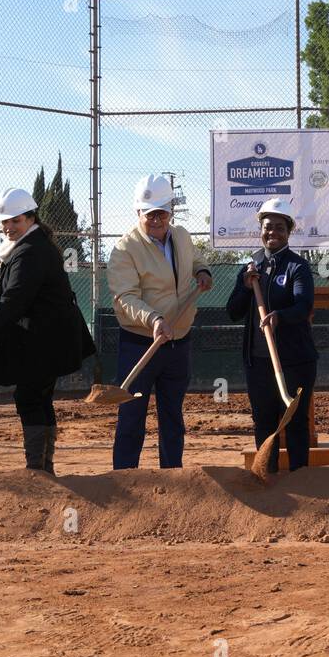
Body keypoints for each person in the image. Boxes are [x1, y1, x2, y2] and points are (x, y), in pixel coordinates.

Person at [0, 188, 96, 475]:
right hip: (47, 340)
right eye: (5, 222)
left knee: (29, 398)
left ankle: (36, 469)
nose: (9, 227)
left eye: (16, 221)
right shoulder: (32, 246)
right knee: (39, 398)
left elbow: (13, 300)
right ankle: (43, 467)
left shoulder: (30, 252)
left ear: (30, 218)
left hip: (43, 342)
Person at [108, 175, 213, 470]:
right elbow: (125, 298)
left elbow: (195, 258)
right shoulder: (125, 250)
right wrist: (153, 319)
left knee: (172, 416)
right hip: (141, 344)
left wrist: (202, 270)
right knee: (131, 416)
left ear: (170, 211)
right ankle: (125, 479)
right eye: (149, 213)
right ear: (137, 212)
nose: (156, 219)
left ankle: (173, 477)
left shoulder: (181, 236)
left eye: (161, 212)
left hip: (178, 342)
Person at [226, 197, 318, 473]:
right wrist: (244, 286)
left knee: (296, 420)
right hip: (258, 361)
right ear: (260, 229)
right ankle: (267, 476)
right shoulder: (250, 268)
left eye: (279, 227)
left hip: (294, 361)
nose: (272, 233)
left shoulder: (297, 267)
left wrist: (280, 316)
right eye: (268, 227)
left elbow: (304, 305)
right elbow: (233, 311)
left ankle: (300, 476)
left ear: (289, 231)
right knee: (264, 420)